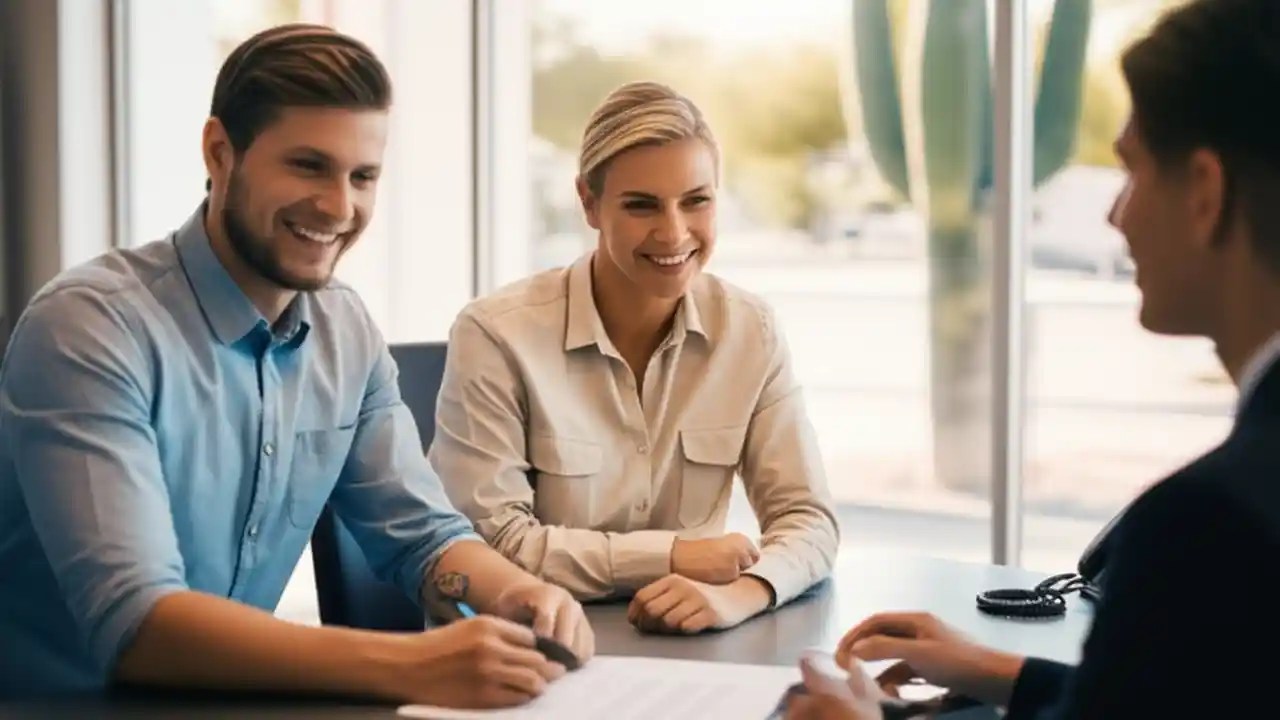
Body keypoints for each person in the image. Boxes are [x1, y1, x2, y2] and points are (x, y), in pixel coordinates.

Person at [0, 24, 593, 707]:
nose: (340, 208)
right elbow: (137, 623)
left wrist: (519, 593)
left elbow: (424, 538)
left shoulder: (344, 331)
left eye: (362, 176)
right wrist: (415, 662)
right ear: (220, 152)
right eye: (309, 166)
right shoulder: (89, 327)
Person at [783, 0, 1280, 717]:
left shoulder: (1204, 528)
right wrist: (1004, 672)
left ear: (1206, 193)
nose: (1117, 216)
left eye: (1132, 172)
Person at [429, 81, 839, 634]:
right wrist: (671, 557)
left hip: (690, 650)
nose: (673, 233)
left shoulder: (751, 330)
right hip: (526, 646)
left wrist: (744, 594)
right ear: (589, 203)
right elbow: (489, 545)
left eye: (696, 201)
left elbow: (808, 518)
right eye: (641, 205)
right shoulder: (496, 334)